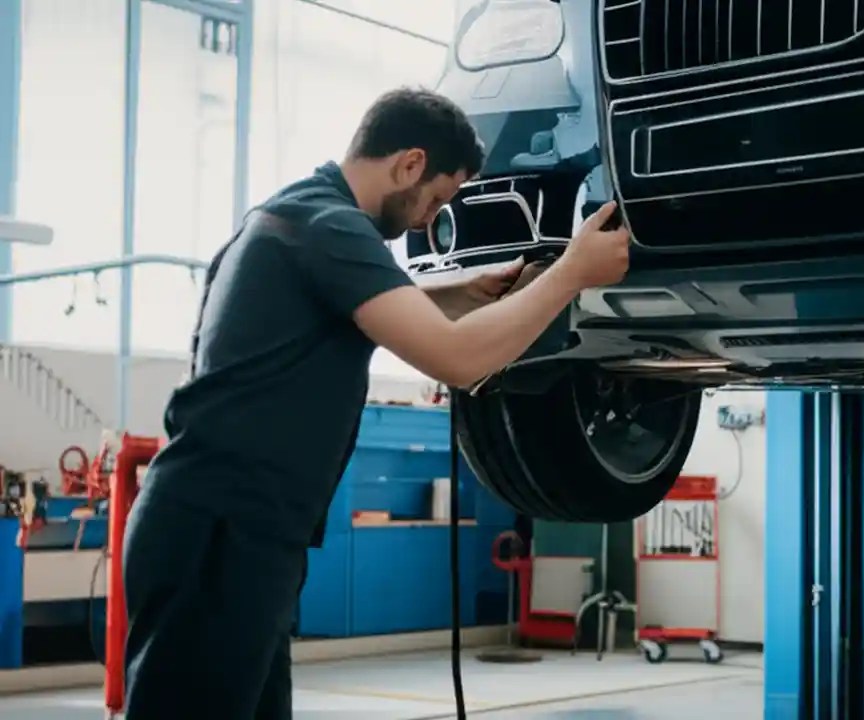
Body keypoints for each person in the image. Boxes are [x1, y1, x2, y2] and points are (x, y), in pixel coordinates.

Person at [119, 86, 630, 719]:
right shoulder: (332, 229)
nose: (427, 219)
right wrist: (571, 274)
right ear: (410, 164)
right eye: (436, 199)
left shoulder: (296, 216)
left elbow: (359, 309)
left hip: (230, 533)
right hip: (221, 538)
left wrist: (465, 291)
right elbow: (458, 359)